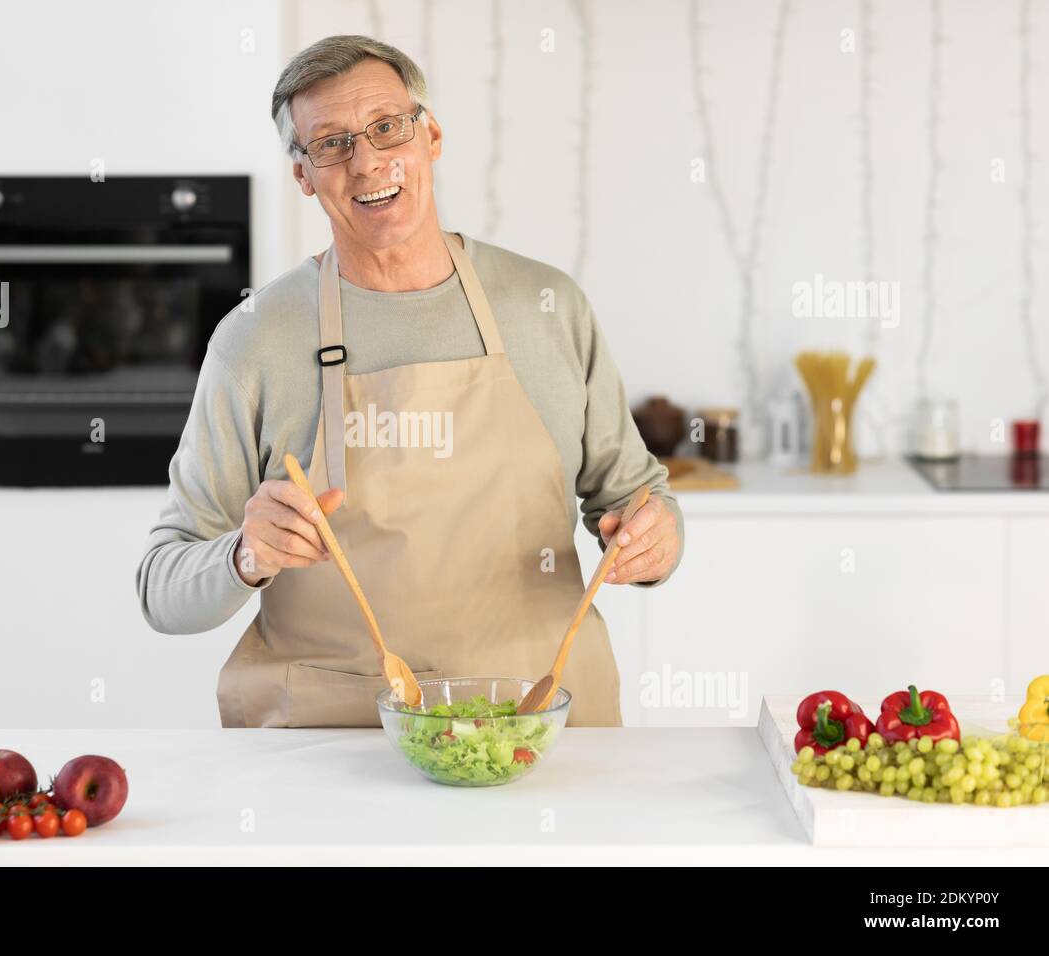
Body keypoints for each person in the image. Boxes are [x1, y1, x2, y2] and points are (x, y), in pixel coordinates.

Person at [136, 35, 683, 727]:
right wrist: (245, 555)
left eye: (387, 127)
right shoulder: (256, 338)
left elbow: (637, 499)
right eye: (331, 144)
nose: (367, 161)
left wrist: (657, 541)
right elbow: (162, 589)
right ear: (304, 175)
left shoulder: (547, 305)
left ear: (431, 135)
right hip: (338, 739)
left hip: (538, 725)